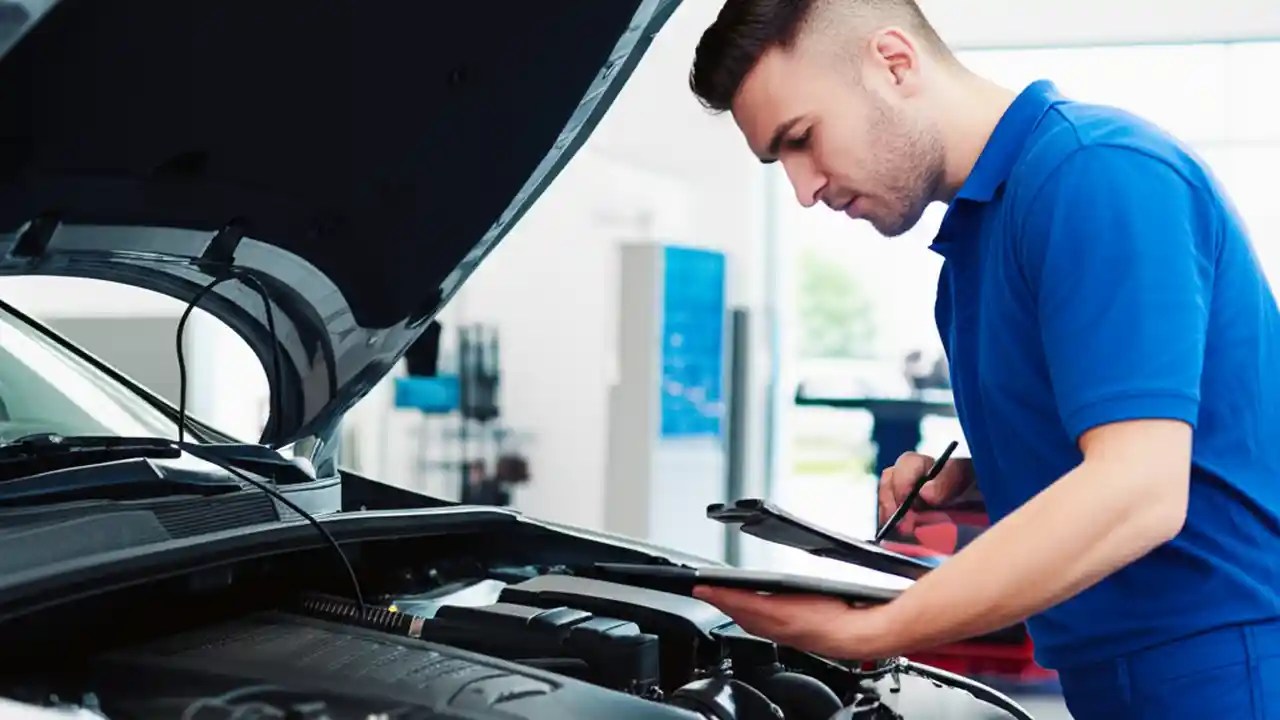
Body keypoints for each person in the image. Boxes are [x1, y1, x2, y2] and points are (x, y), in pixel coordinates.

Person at [684, 1, 1280, 717]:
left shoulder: (1098, 174)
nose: (804, 189)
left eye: (803, 139)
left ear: (895, 63)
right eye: (780, 160)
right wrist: (986, 480)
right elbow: (1154, 455)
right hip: (1113, 671)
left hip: (1226, 663)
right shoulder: (969, 259)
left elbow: (1141, 493)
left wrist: (878, 629)